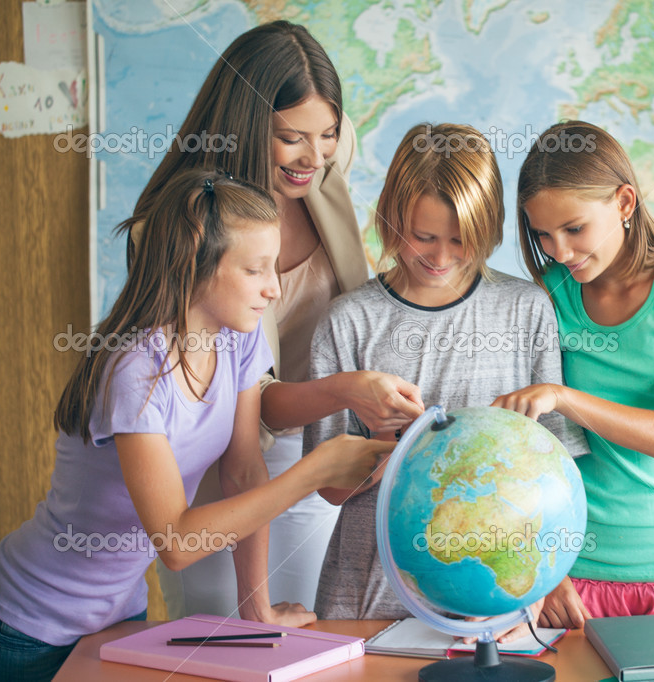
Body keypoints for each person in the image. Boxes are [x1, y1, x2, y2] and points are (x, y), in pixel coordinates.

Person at [0, 170, 392, 682]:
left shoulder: (239, 340)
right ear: (195, 264)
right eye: (256, 270)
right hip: (28, 626)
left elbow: (245, 473)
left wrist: (258, 612)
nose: (273, 289)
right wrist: (314, 472)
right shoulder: (134, 369)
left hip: (119, 616)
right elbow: (176, 543)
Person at [122, 21, 423, 617]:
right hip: (220, 469)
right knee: (222, 639)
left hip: (324, 456)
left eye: (329, 134)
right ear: (244, 127)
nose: (316, 157)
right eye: (292, 139)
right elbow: (245, 405)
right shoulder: (178, 233)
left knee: (307, 635)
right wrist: (348, 391)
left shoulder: (320, 166)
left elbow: (326, 137)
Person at [305, 123, 588, 626]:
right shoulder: (349, 322)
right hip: (368, 603)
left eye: (461, 240)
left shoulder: (527, 310)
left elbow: (553, 470)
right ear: (393, 218)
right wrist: (386, 444)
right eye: (423, 237)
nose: (441, 258)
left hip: (499, 598)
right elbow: (328, 489)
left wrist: (552, 572)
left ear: (488, 228)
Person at [493, 120, 654, 628]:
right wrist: (547, 569)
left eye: (574, 229)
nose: (560, 252)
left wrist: (562, 396)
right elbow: (529, 451)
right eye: (543, 234)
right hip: (574, 580)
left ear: (625, 203)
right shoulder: (550, 292)